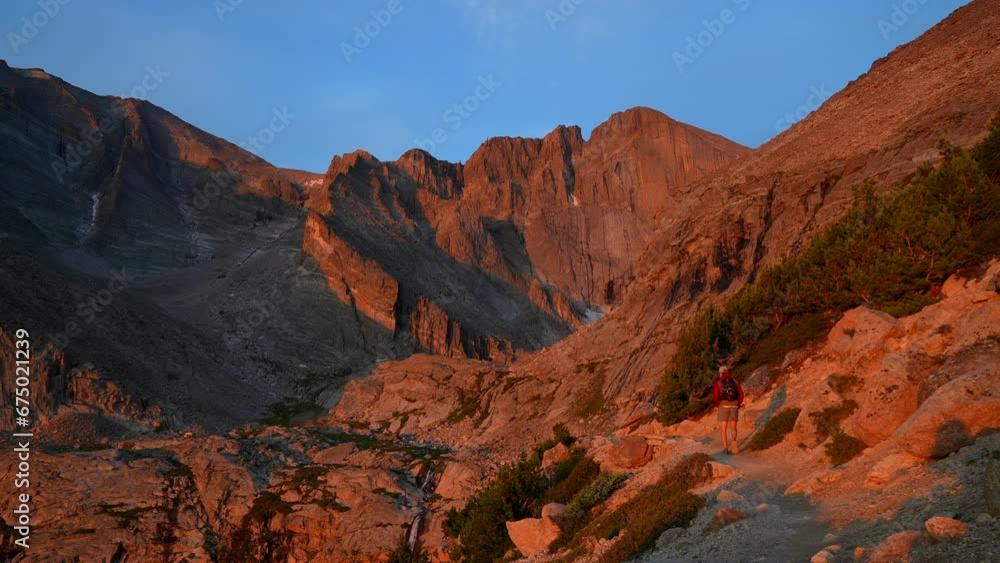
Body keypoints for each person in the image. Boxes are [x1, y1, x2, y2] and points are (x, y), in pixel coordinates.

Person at [713, 365, 745, 454]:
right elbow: (741, 394)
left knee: (723, 428)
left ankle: (725, 447)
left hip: (723, 406)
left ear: (720, 373)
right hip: (734, 405)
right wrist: (738, 404)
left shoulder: (718, 382)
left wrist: (717, 404)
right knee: (733, 427)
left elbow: (715, 396)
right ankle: (734, 440)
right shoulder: (735, 381)